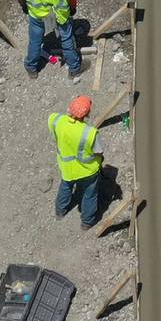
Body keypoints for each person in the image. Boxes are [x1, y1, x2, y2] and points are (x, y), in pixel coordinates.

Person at [49, 95, 104, 228]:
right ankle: (87, 222)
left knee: (65, 187)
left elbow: (54, 129)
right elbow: (99, 152)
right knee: (90, 195)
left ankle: (60, 212)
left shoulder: (56, 120)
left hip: (67, 167)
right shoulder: (89, 133)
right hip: (88, 171)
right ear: (86, 114)